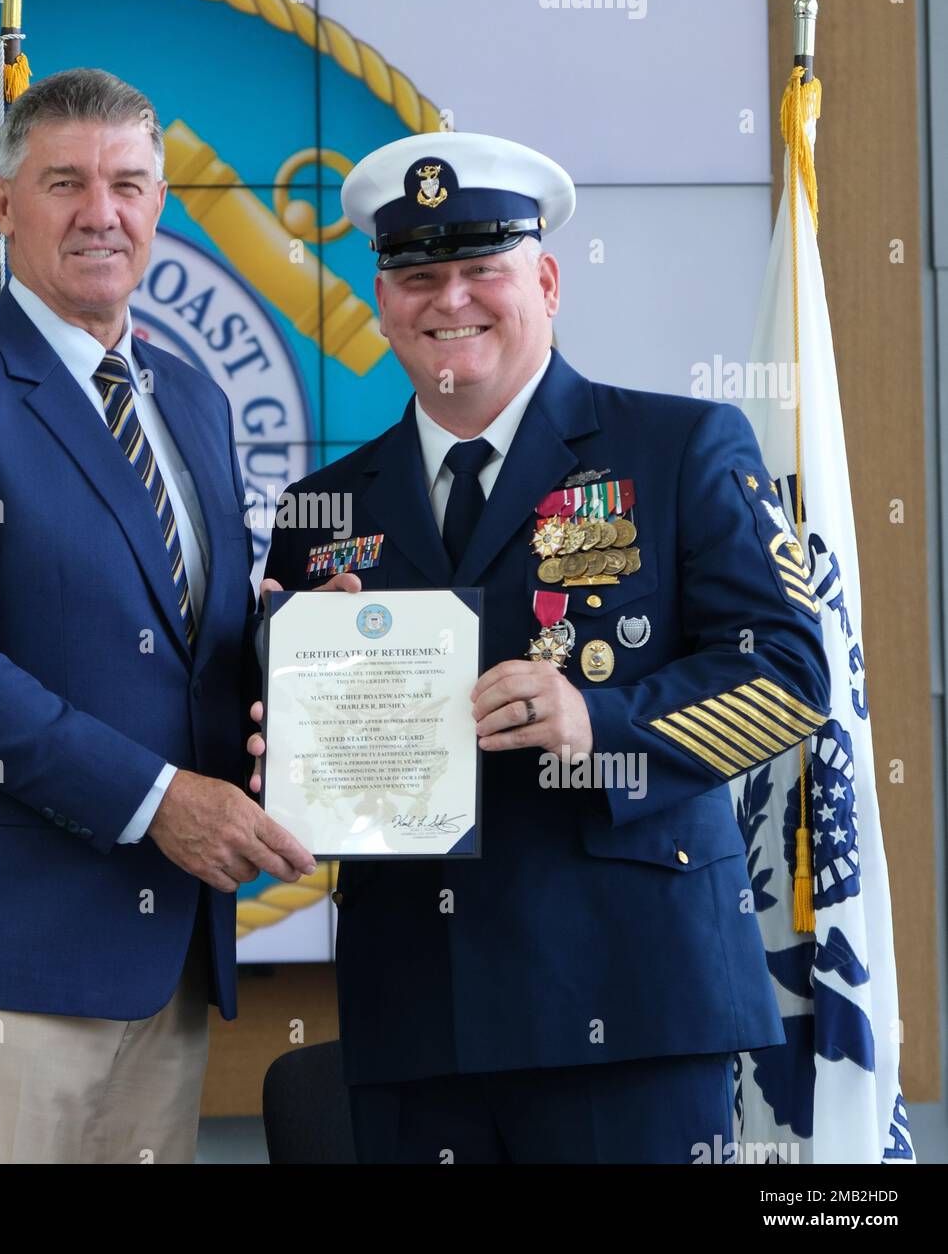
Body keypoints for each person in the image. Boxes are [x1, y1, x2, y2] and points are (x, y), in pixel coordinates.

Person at [251, 131, 830, 1163]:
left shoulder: (679, 446)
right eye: (419, 275)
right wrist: (275, 746)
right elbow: (303, 765)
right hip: (417, 1017)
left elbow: (788, 676)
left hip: (631, 1002)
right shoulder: (320, 507)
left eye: (483, 269)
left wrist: (598, 720)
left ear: (547, 280)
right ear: (382, 303)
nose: (450, 300)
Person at [0, 68, 315, 1164]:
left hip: (161, 958)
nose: (103, 212)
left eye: (130, 184)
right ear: (3, 207)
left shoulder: (193, 396)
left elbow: (193, 644)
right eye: (65, 182)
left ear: (159, 205)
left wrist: (305, 651)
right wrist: (158, 802)